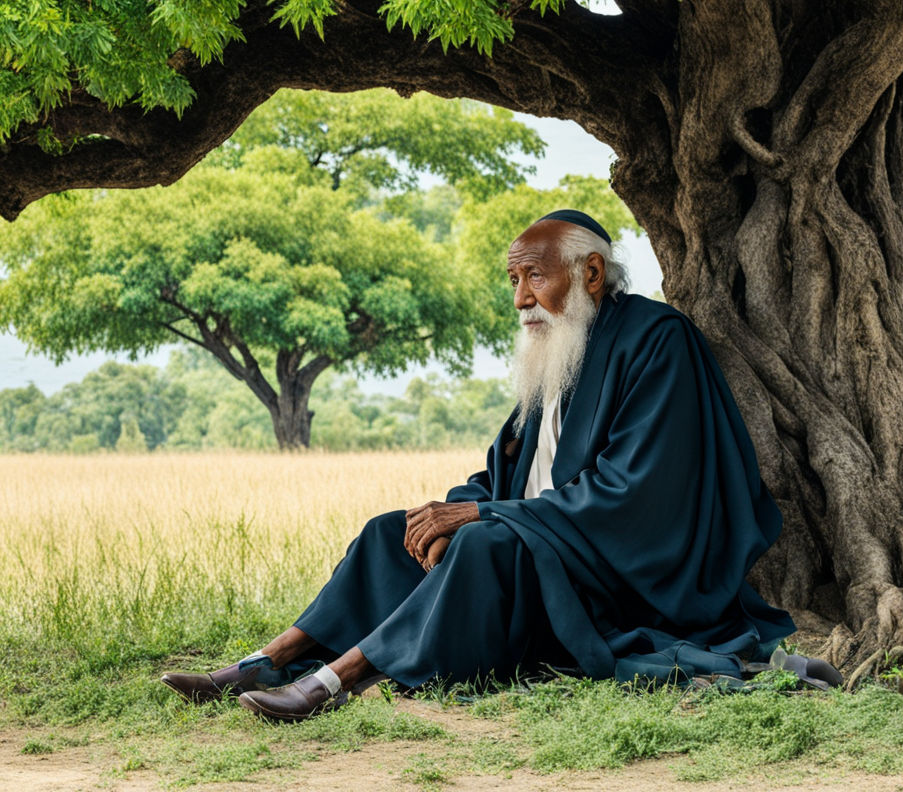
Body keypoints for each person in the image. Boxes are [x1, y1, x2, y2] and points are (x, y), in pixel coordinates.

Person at [161, 210, 795, 721]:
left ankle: (333, 681)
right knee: (393, 533)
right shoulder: (561, 351)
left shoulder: (657, 341)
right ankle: (265, 661)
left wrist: (484, 516)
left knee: (483, 543)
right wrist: (452, 513)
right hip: (539, 539)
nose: (521, 298)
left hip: (616, 572)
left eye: (533, 278)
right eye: (514, 281)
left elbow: (634, 493)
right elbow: (501, 475)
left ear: (592, 273)